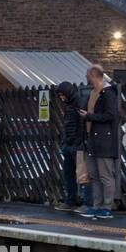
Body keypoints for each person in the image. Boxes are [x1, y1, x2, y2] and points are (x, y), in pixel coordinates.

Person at [77, 65, 119, 219]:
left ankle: (107, 207)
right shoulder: (94, 93)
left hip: (105, 141)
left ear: (93, 75)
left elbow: (111, 115)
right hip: (93, 140)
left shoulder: (108, 93)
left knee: (106, 176)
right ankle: (96, 206)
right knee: (94, 175)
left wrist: (89, 116)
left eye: (87, 75)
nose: (86, 78)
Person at [54, 82, 87, 211]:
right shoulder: (68, 104)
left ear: (67, 93)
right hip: (69, 143)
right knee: (68, 173)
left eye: (62, 95)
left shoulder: (78, 102)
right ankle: (70, 201)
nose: (61, 97)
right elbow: (67, 125)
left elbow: (81, 123)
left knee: (83, 175)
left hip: (75, 144)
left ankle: (85, 203)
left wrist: (78, 141)